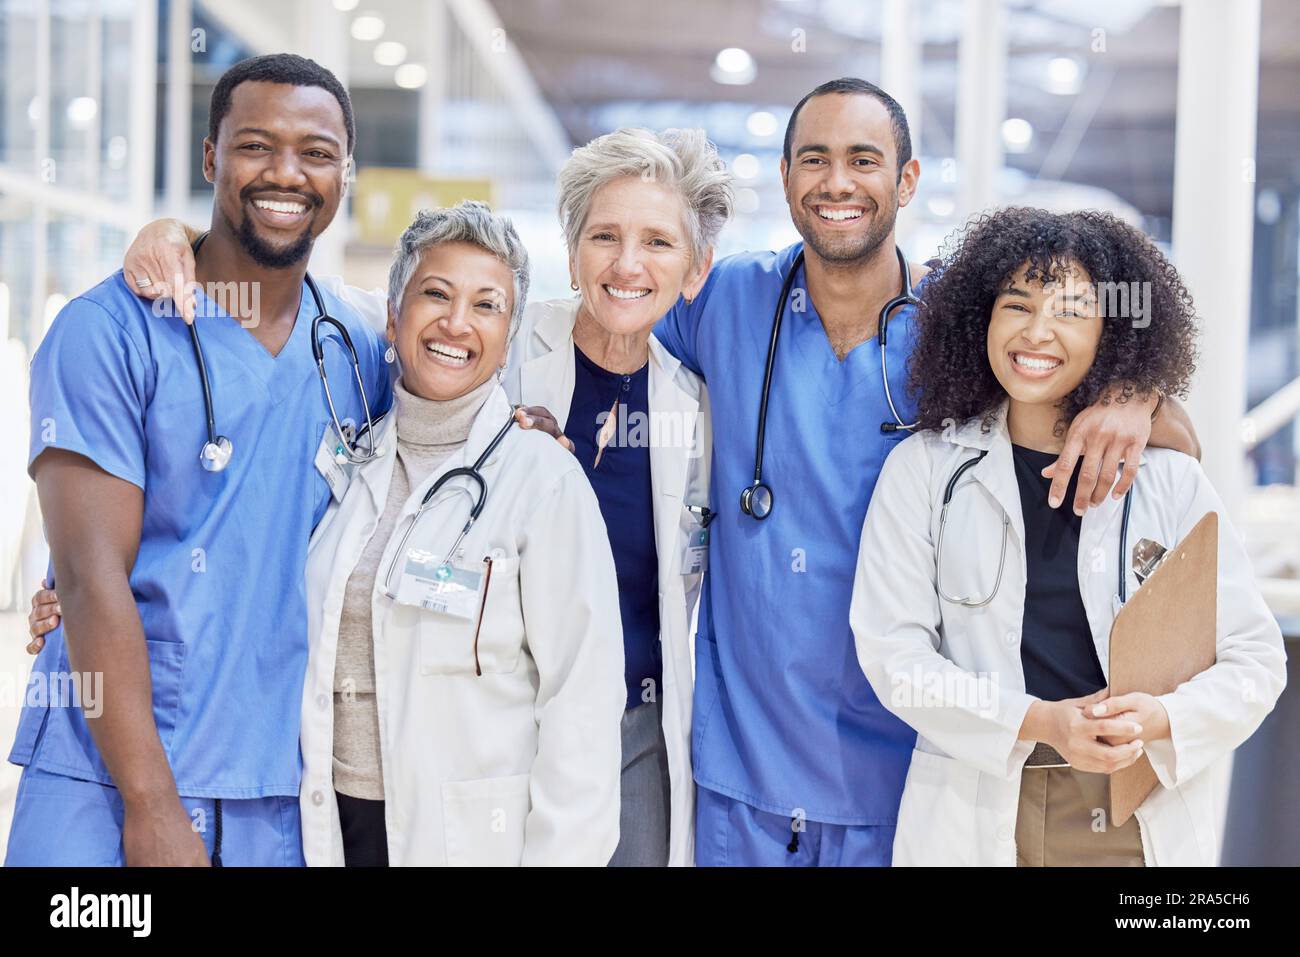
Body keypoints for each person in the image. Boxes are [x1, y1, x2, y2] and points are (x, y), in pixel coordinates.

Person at [651, 78, 1202, 866]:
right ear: (785, 178)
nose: (837, 182)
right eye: (815, 159)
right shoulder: (730, 297)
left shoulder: (961, 322)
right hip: (745, 775)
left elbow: (1173, 426)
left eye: (864, 159)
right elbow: (611, 325)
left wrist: (1136, 397)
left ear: (906, 182)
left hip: (907, 773)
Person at [7, 54, 389, 866]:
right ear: (211, 157)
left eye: (316, 152)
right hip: (105, 783)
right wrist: (150, 804)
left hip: (278, 787)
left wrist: (525, 419)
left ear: (344, 174)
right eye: (256, 145)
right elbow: (85, 576)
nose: (286, 173)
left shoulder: (357, 350)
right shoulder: (107, 333)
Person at [849, 207, 1286, 866]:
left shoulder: (1169, 482)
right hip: (975, 805)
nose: (1037, 331)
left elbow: (1256, 661)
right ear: (980, 319)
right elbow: (895, 658)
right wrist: (1037, 720)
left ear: (1112, 334)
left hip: (1130, 813)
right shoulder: (925, 471)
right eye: (1016, 305)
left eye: (1071, 311)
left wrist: (1161, 717)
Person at [301, 202, 624, 866]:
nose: (456, 322)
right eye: (436, 294)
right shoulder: (343, 459)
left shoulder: (544, 481)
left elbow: (582, 707)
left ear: (508, 339)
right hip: (335, 822)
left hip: (472, 841)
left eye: (487, 305)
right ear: (393, 316)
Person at [503, 128, 728, 866]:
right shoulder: (500, 355)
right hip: (499, 717)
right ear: (571, 255)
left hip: (636, 731)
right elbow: (380, 309)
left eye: (658, 242)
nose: (627, 264)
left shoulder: (690, 405)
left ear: (695, 269)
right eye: (605, 235)